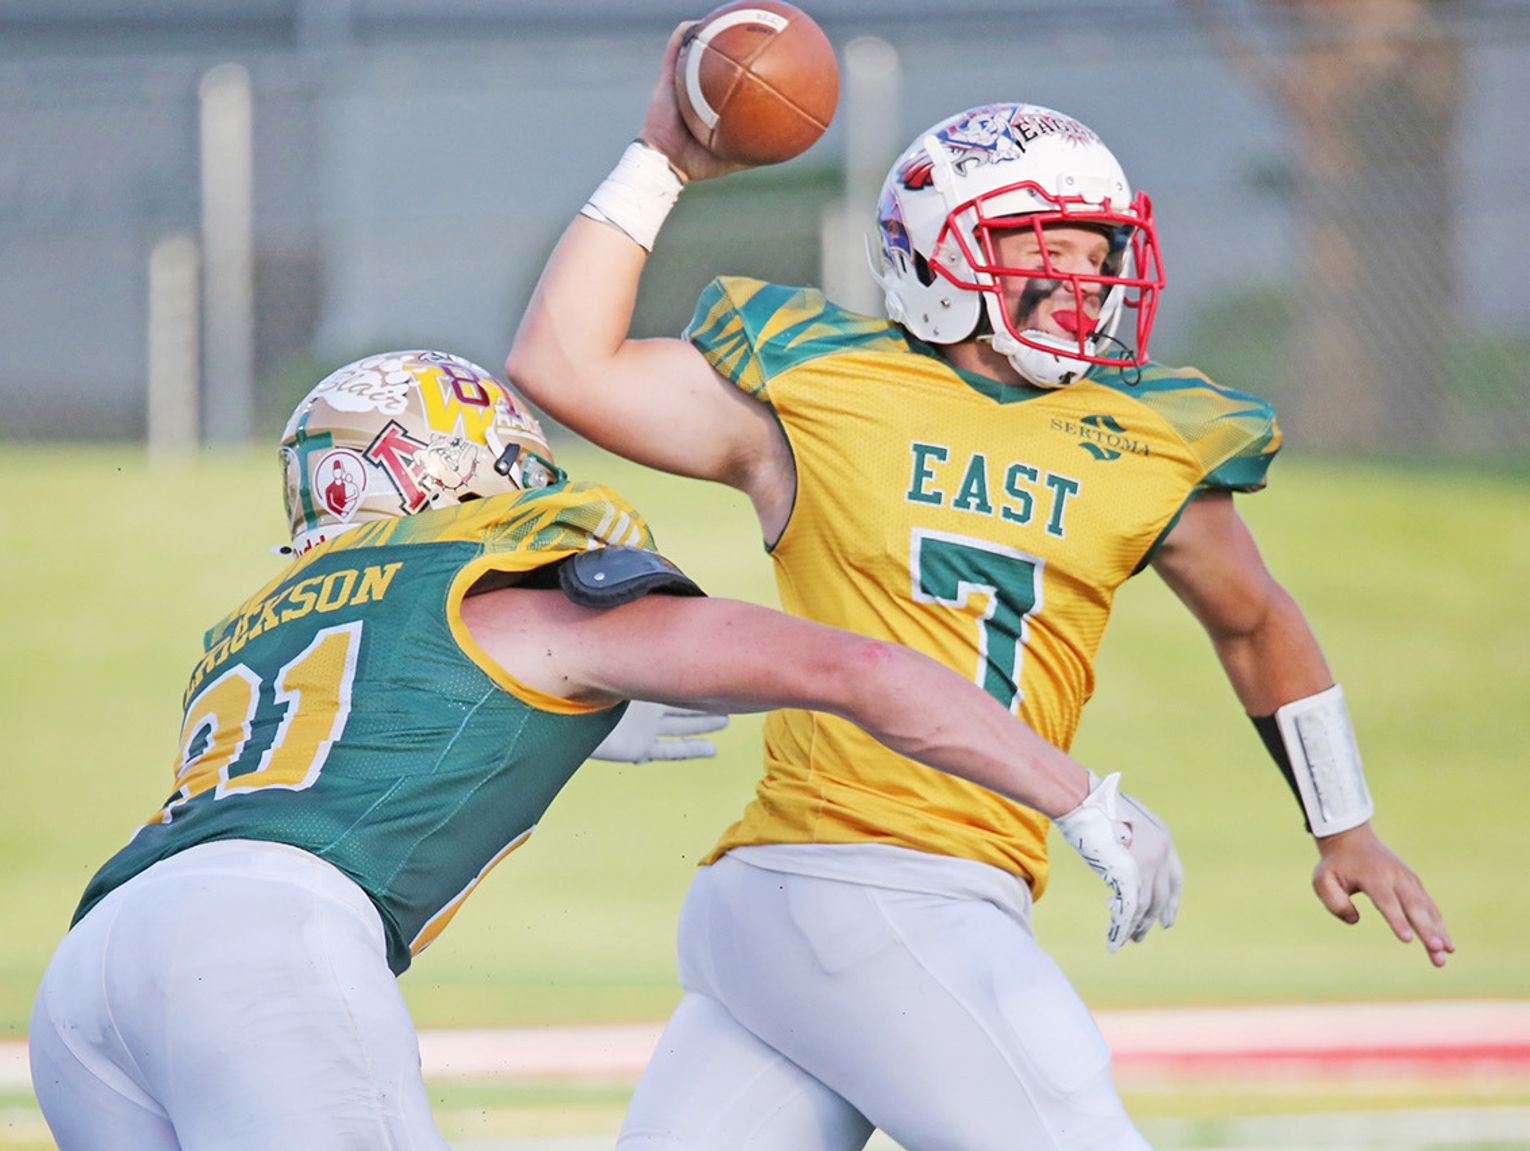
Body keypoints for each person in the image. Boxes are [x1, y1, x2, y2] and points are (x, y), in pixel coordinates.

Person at [504, 24, 1455, 1151]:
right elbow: (563, 366)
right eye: (1040, 243)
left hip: (815, 908)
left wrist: (1344, 825)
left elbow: (1257, 621)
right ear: (937, 257)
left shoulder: (1147, 435)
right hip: (877, 882)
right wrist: (662, 157)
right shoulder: (822, 384)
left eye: (1097, 249)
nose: (1082, 277)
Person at [28, 349, 1176, 1149]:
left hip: (89, 975)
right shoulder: (518, 583)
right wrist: (1079, 796)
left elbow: (401, 715)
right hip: (269, 945)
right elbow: (861, 670)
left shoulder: (265, 616)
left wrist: (588, 709)